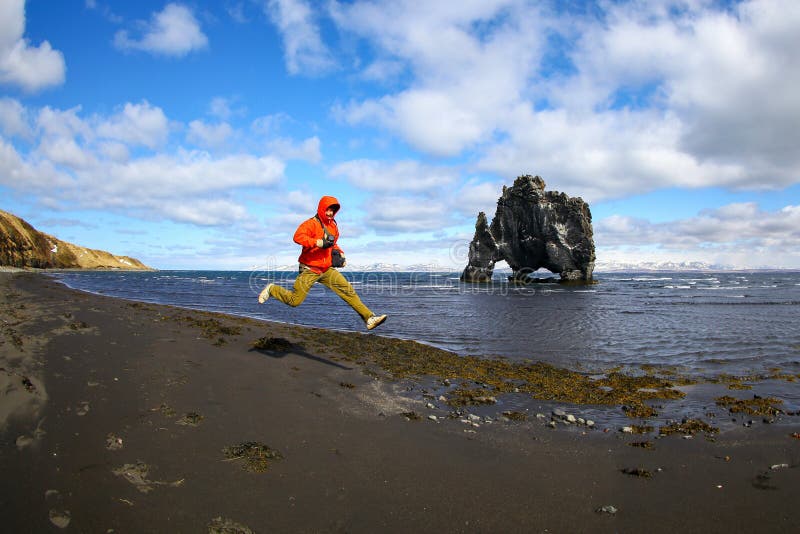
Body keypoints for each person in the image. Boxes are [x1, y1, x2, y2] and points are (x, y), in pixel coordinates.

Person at [258, 195, 387, 330]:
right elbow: (297, 237)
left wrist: (340, 254)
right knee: (294, 301)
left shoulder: (333, 226)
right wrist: (317, 242)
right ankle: (272, 289)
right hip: (309, 269)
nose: (330, 213)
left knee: (348, 291)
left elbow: (333, 244)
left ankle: (369, 318)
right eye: (328, 209)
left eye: (333, 210)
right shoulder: (311, 224)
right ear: (321, 209)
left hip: (326, 269)